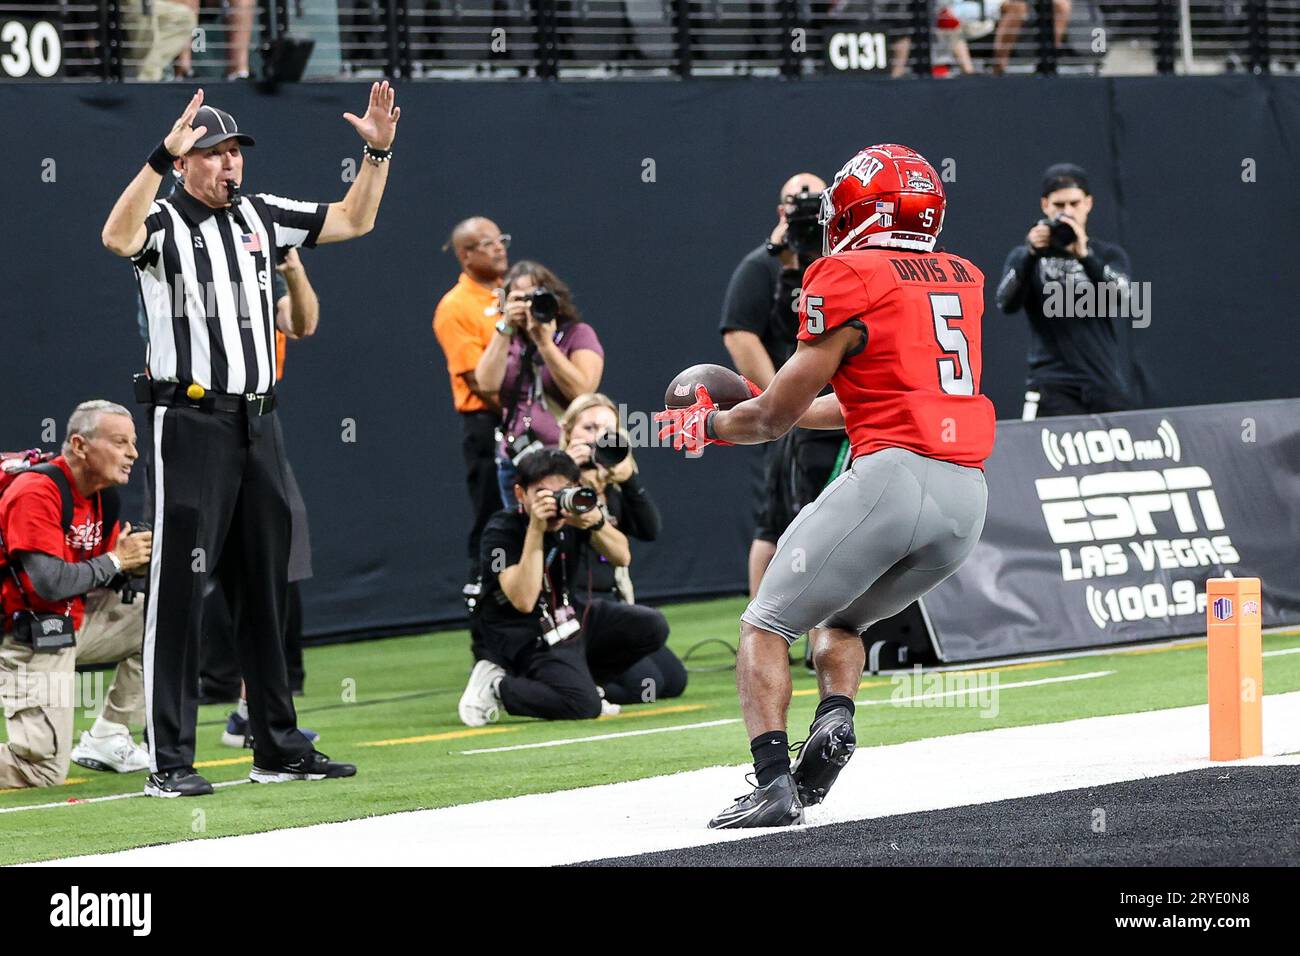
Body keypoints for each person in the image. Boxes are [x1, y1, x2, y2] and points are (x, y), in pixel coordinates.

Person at [657, 144, 995, 828]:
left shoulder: (845, 274)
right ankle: (834, 722)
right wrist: (757, 404)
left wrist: (711, 425)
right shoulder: (960, 274)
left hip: (892, 479)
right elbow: (850, 404)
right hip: (966, 498)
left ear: (855, 211)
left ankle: (772, 783)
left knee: (765, 623)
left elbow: (774, 418)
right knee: (843, 620)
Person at [100, 83, 401, 796]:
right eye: (213, 154)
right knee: (179, 589)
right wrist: (157, 155)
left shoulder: (261, 218)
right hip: (191, 420)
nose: (230, 166)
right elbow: (116, 236)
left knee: (265, 590)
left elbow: (354, 219)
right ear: (185, 163)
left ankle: (278, 744)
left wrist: (377, 150)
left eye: (235, 153)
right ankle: (169, 760)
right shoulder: (165, 221)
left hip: (259, 422)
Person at [0, 402, 153, 788]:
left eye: (132, 443)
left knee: (162, 616)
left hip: (68, 622)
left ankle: (108, 736)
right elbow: (49, 583)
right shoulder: (35, 491)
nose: (133, 453)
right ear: (80, 445)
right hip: (23, 635)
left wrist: (132, 566)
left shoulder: (104, 497)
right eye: (120, 442)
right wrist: (117, 559)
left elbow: (98, 576)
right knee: (41, 771)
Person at [458, 450, 670, 725]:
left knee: (652, 625)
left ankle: (584, 681)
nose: (555, 502)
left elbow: (622, 556)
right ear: (520, 494)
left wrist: (595, 522)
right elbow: (523, 600)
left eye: (563, 492)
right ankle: (497, 685)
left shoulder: (574, 517)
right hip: (519, 633)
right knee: (584, 706)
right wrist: (536, 529)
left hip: (566, 616)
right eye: (544, 493)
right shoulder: (501, 529)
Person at [719, 171, 848, 598]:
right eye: (798, 206)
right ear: (781, 211)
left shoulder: (841, 263)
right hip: (795, 415)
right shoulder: (763, 266)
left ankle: (820, 628)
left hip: (843, 409)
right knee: (780, 521)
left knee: (831, 520)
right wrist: (781, 396)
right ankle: (760, 628)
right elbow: (738, 331)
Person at [558, 394, 686, 706]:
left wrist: (630, 481)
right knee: (646, 685)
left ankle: (585, 676)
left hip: (610, 604)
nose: (596, 437)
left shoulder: (614, 488)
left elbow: (650, 530)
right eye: (588, 428)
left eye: (606, 429)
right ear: (568, 432)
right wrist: (567, 474)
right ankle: (571, 683)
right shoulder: (552, 480)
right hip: (572, 607)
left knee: (673, 679)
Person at [995, 162, 1138, 418]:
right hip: (1052, 386)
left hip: (1103, 382)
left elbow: (1127, 299)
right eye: (1059, 205)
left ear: (1089, 203)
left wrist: (1086, 256)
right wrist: (1030, 256)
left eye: (1074, 203)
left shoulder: (1107, 254)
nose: (1068, 213)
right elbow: (1005, 303)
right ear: (1045, 206)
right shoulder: (1025, 256)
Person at [474, 261, 604, 507]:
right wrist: (506, 326)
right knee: (522, 537)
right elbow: (485, 384)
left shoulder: (577, 334)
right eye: (521, 298)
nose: (529, 305)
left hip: (567, 458)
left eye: (536, 296)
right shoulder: (508, 338)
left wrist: (545, 343)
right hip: (517, 460)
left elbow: (583, 391)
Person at [432, 217, 511, 597]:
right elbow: (476, 381)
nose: (499, 248)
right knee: (495, 518)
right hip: (489, 424)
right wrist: (527, 411)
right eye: (487, 243)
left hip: (530, 420)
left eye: (501, 240)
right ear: (465, 255)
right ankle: (485, 607)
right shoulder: (455, 307)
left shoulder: (514, 295)